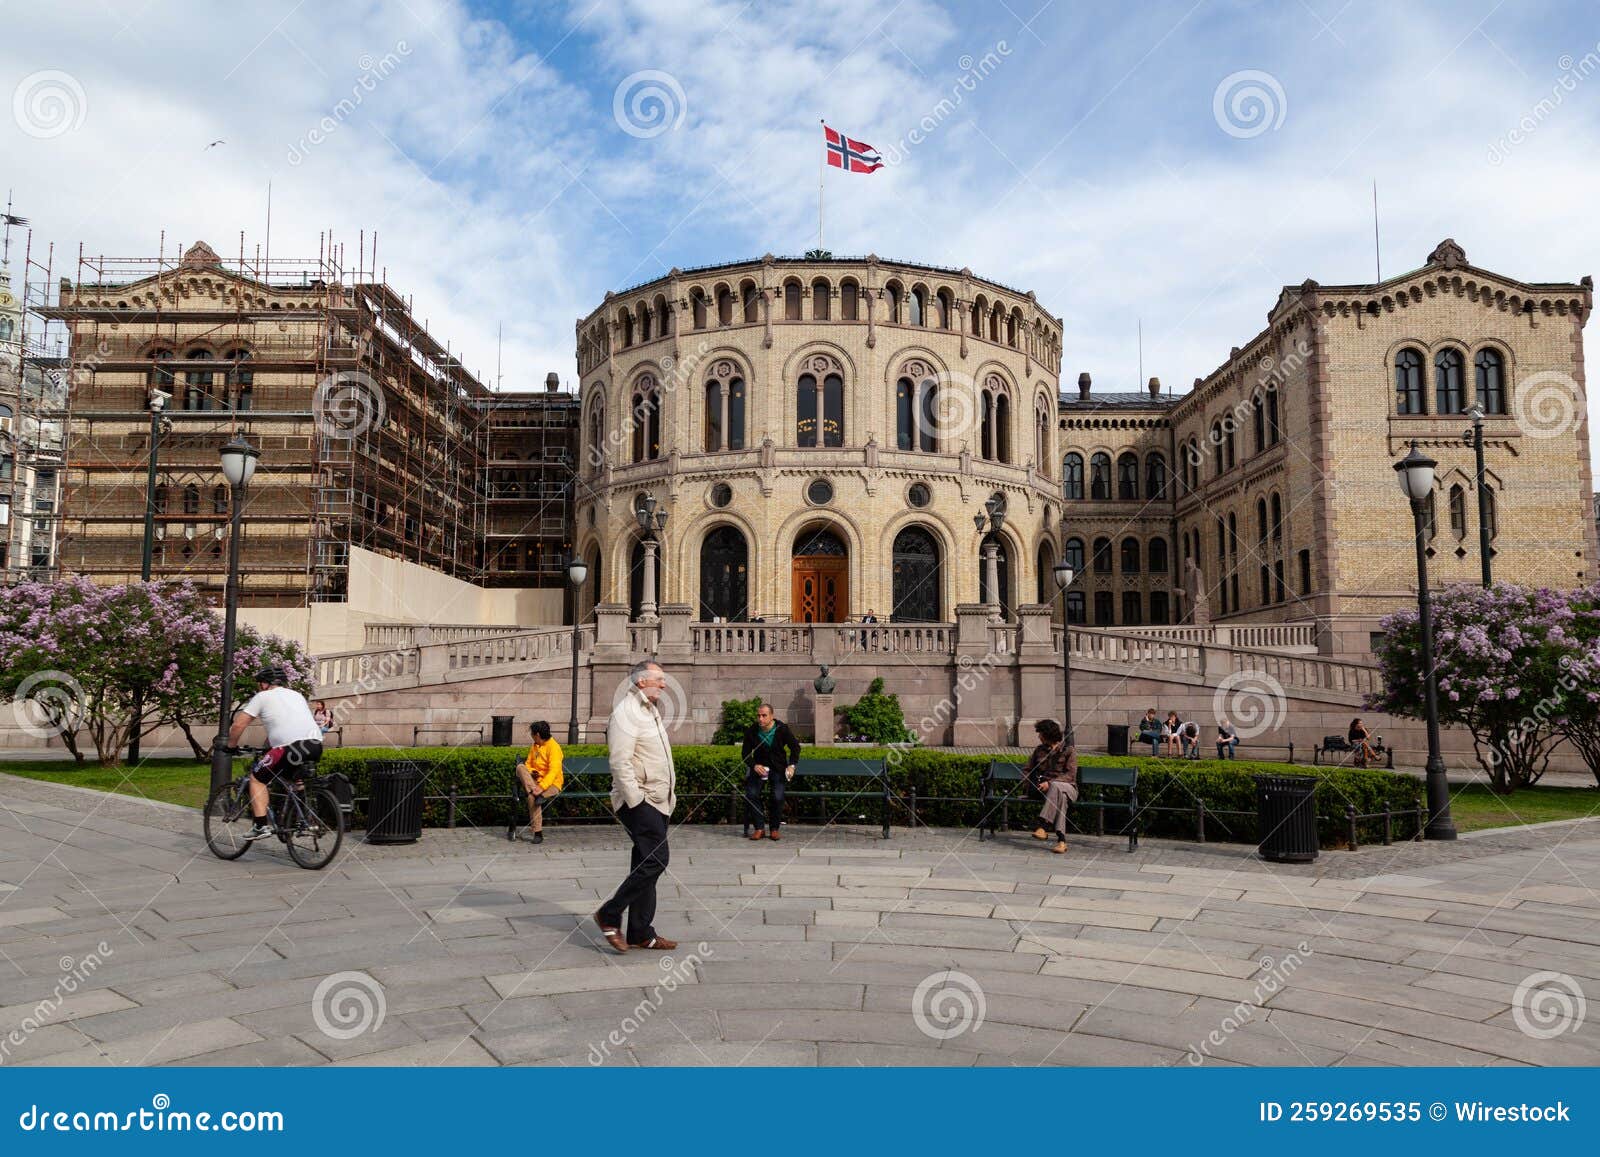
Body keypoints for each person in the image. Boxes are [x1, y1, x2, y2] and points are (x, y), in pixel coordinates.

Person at [594, 661, 678, 954]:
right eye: (659, 679)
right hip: (641, 801)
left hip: (658, 800)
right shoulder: (626, 712)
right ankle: (610, 913)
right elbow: (619, 762)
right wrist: (637, 801)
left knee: (645, 863)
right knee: (657, 860)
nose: (664, 685)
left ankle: (641, 932)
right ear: (642, 681)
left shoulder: (648, 710)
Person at [226, 666, 324, 842]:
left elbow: (239, 725)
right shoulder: (297, 695)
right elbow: (287, 723)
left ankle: (260, 826)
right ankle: (302, 820)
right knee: (295, 779)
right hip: (315, 744)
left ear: (264, 684)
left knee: (257, 779)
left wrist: (231, 745)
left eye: (259, 684)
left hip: (289, 747)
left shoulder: (262, 696)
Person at [742, 702, 801, 841]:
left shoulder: (782, 729)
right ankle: (759, 828)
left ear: (772, 716)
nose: (760, 719)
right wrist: (754, 765)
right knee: (751, 794)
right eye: (758, 716)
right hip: (759, 768)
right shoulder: (752, 730)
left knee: (777, 796)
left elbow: (796, 748)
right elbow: (745, 753)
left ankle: (774, 828)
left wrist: (792, 765)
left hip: (778, 768)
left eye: (764, 715)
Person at [1026, 718, 1078, 855]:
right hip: (1050, 793)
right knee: (1061, 798)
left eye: (1040, 733)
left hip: (1069, 787)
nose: (1038, 736)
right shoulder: (1039, 751)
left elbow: (1071, 775)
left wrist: (1049, 784)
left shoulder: (1068, 750)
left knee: (1056, 787)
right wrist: (1030, 785)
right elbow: (1027, 770)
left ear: (1048, 735)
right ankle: (1061, 842)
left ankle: (1042, 825)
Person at [514, 720, 563, 843]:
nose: (531, 736)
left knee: (532, 798)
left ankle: (538, 833)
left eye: (532, 734)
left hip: (552, 784)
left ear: (538, 735)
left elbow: (553, 772)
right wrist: (531, 772)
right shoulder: (535, 746)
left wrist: (541, 787)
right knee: (520, 767)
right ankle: (533, 790)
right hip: (535, 782)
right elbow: (528, 764)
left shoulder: (554, 748)